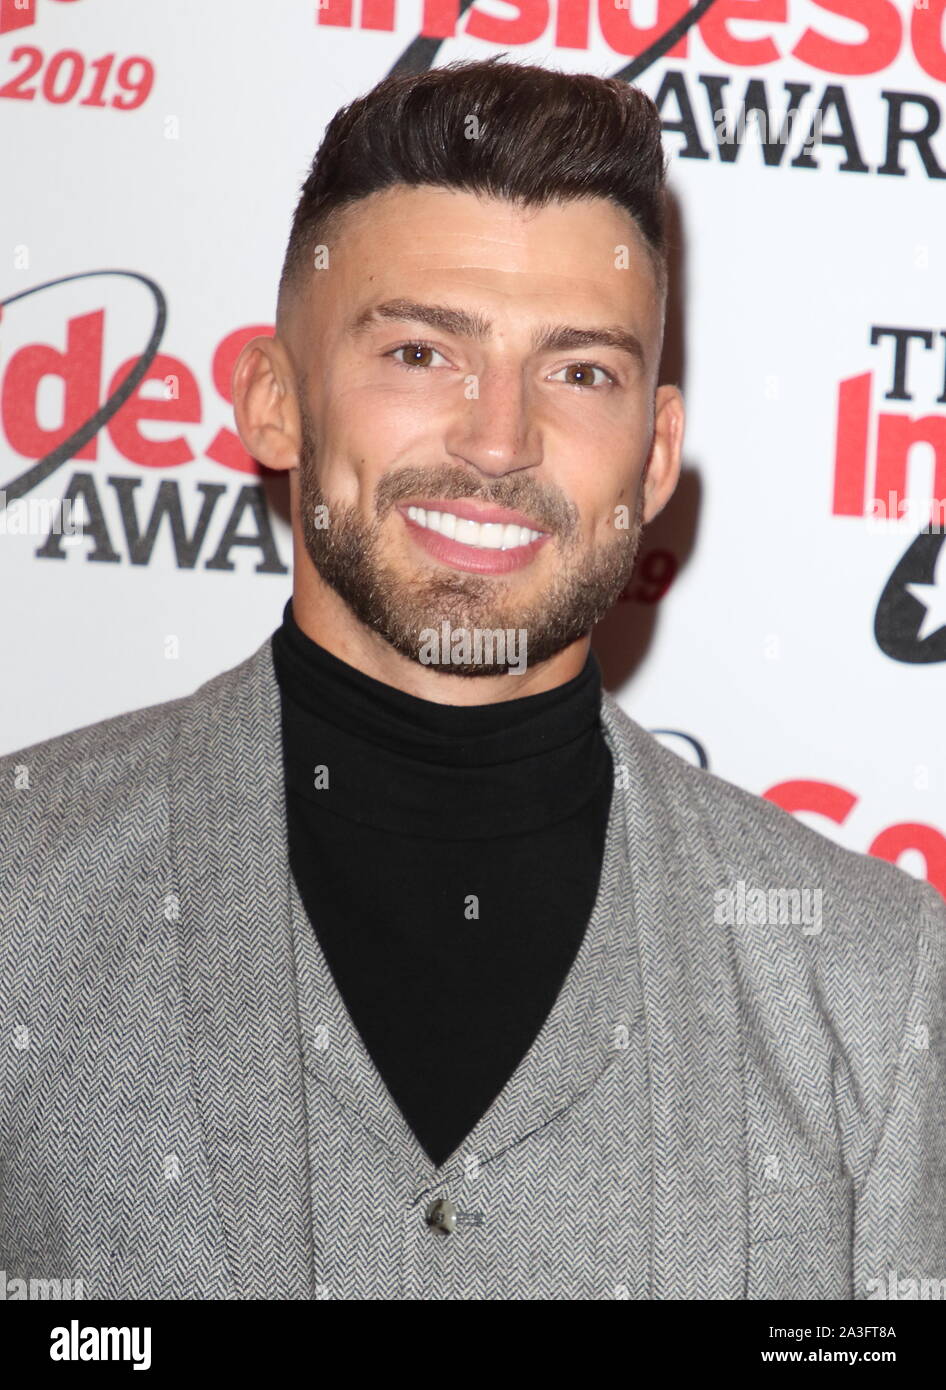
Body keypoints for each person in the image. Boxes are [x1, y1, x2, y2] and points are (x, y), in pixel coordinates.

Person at [1, 56, 944, 1302]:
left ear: (655, 457)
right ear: (273, 405)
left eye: (580, 371)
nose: (497, 438)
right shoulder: (24, 885)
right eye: (417, 352)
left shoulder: (874, 979)